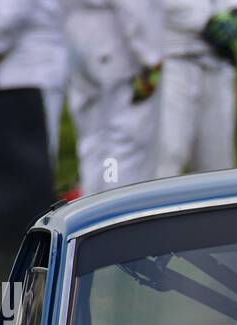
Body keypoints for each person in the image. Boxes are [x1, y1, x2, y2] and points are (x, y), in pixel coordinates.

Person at [63, 0, 164, 196]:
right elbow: (135, 8)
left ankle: (93, 206)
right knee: (125, 144)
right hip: (115, 43)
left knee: (93, 141)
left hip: (76, 39)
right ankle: (117, 207)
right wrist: (151, 58)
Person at [0, 0, 69, 168]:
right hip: (38, 65)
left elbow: (9, 17)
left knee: (29, 150)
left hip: (28, 70)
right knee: (35, 147)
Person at [155, 0, 237, 177]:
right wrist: (203, 21)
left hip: (216, 62)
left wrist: (236, 12)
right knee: (169, 154)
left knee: (218, 161)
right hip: (173, 59)